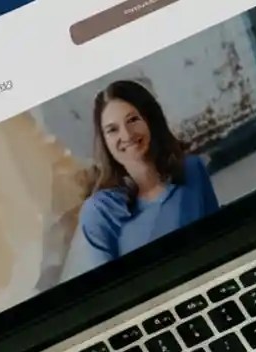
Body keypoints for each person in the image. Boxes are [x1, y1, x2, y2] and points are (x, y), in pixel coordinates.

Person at [61, 80, 220, 281]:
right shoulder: (100, 211)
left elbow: (218, 239)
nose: (126, 134)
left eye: (133, 119)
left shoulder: (192, 169)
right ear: (105, 141)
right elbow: (107, 291)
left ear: (150, 120)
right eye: (112, 129)